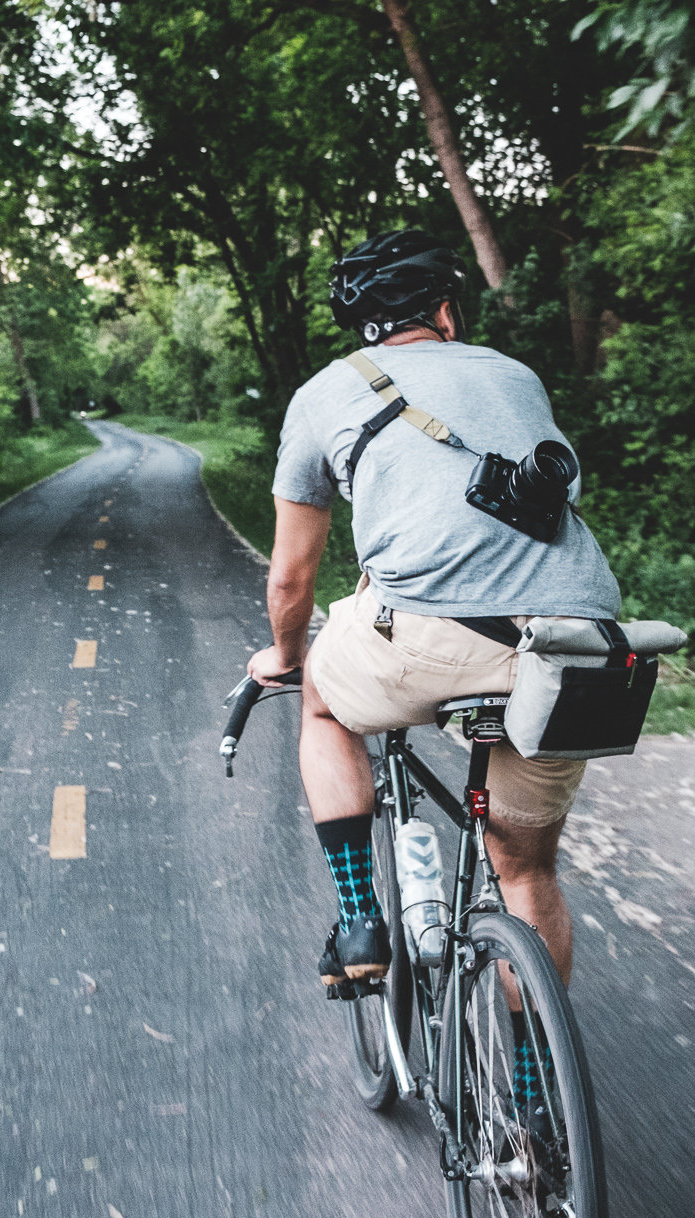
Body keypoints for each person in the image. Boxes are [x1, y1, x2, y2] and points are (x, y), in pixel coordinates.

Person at [247, 229, 624, 992]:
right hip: (578, 647)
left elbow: (292, 579)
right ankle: (533, 1098)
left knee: (322, 696)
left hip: (428, 636)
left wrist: (285, 657)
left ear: (363, 325)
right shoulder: (516, 375)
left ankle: (359, 920)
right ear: (446, 313)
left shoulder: (325, 393)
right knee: (525, 869)